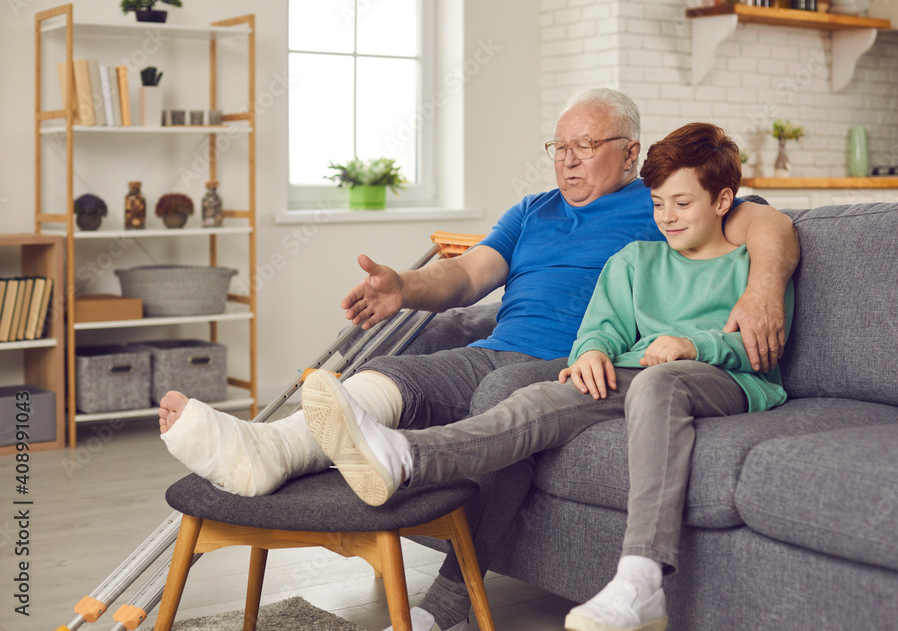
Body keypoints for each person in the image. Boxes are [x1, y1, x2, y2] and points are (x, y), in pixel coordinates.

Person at [159, 89, 799, 631]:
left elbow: (767, 226)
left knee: (508, 395)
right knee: (400, 374)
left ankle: (445, 584)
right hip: (515, 351)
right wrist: (404, 288)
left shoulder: (662, 203)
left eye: (586, 148)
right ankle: (272, 450)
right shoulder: (538, 212)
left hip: (558, 365)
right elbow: (467, 276)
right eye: (559, 149)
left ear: (630, 153)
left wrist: (764, 288)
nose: (568, 164)